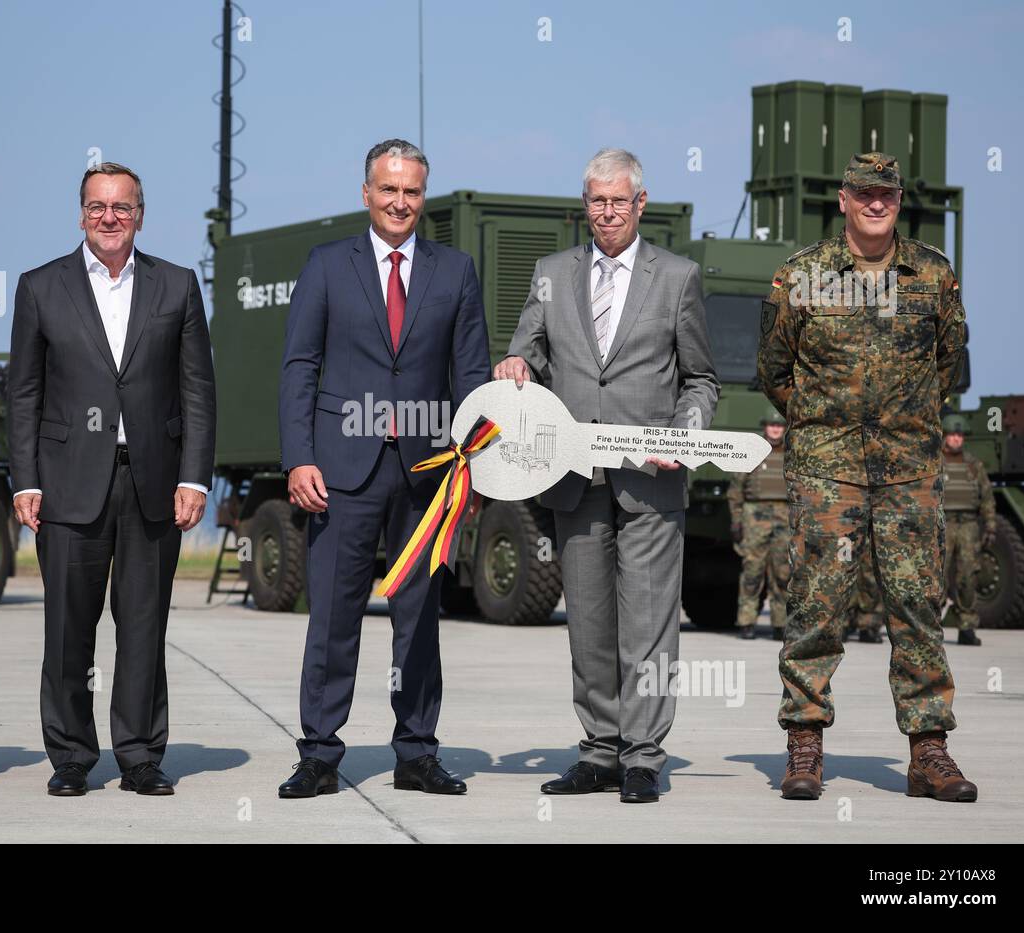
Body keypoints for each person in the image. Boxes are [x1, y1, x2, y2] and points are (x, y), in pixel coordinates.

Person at [497, 148, 719, 803]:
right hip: (573, 477)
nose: (608, 212)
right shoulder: (550, 273)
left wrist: (688, 432)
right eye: (597, 200)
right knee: (589, 626)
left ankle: (644, 756)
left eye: (619, 200)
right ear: (584, 204)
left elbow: (700, 378)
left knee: (648, 625)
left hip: (652, 478)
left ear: (641, 204)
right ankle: (598, 750)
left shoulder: (677, 278)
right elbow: (525, 352)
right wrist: (513, 365)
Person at [758, 152, 977, 802]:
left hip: (908, 470)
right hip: (828, 472)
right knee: (816, 606)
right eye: (863, 192)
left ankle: (929, 750)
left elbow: (949, 363)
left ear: (899, 199)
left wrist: (902, 421)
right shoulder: (802, 275)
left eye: (886, 192)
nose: (875, 202)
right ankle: (804, 741)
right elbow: (775, 370)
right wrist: (825, 424)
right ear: (844, 200)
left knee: (916, 609)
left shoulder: (933, 273)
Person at [277, 139, 491, 798]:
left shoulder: (454, 271)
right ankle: (318, 752)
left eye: (412, 191)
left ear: (424, 197)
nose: (400, 202)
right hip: (341, 470)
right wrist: (299, 456)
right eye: (389, 189)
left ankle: (417, 752)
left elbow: (474, 376)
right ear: (366, 192)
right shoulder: (325, 266)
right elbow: (300, 367)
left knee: (419, 616)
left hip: (429, 475)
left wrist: (473, 468)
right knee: (333, 616)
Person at [7, 162, 216, 797]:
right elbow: (23, 392)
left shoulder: (176, 286)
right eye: (97, 206)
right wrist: (25, 480)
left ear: (140, 215)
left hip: (152, 482)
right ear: (80, 214)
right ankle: (71, 757)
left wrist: (195, 478)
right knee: (68, 628)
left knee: (144, 625)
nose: (109, 217)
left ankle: (142, 757)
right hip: (68, 483)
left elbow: (198, 389)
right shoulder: (41, 287)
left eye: (122, 207)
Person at [728, 412, 790, 641]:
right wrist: (736, 521)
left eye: (779, 425)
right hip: (754, 516)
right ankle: (746, 622)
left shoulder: (792, 453)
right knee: (752, 571)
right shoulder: (751, 452)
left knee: (782, 573)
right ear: (765, 427)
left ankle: (780, 624)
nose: (775, 429)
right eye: (771, 425)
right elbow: (735, 491)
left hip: (784, 516)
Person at [939, 414, 996, 645]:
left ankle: (967, 627)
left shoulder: (974, 465)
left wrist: (990, 526)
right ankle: (932, 628)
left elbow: (987, 498)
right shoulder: (935, 463)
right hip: (943, 524)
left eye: (960, 435)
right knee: (937, 577)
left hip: (968, 525)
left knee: (968, 577)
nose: (956, 439)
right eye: (952, 434)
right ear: (945, 436)